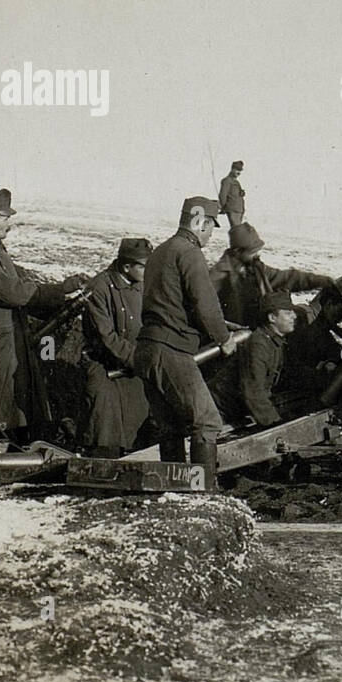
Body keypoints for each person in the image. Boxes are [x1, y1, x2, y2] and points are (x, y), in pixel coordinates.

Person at [0, 189, 88, 441]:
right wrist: (61, 289)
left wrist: (62, 295)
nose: (9, 223)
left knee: (13, 406)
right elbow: (13, 292)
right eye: (5, 218)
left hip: (7, 340)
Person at [133, 196, 240, 483]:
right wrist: (224, 338)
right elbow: (205, 303)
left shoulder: (161, 251)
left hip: (147, 347)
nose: (210, 233)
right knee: (207, 422)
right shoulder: (189, 252)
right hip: (172, 350)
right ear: (199, 222)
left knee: (170, 427)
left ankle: (176, 489)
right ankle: (202, 492)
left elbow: (171, 302)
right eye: (210, 226)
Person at [78, 238, 152, 457]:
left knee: (139, 431)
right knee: (104, 430)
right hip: (104, 365)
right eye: (143, 266)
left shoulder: (142, 285)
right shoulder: (99, 288)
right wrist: (137, 359)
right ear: (127, 267)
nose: (148, 270)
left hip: (133, 366)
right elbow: (106, 337)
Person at [208, 222, 335, 328]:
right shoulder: (218, 275)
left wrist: (322, 281)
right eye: (253, 251)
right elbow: (204, 309)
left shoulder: (256, 267)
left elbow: (287, 278)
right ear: (237, 251)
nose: (257, 254)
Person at [209, 289, 298, 428]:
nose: (294, 316)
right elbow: (253, 392)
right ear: (272, 318)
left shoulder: (274, 342)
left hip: (235, 409)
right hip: (218, 411)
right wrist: (276, 424)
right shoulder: (259, 344)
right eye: (288, 313)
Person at [218, 161, 246, 227]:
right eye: (237, 170)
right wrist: (224, 207)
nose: (239, 172)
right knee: (237, 230)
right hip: (233, 210)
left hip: (239, 210)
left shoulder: (235, 182)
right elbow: (222, 195)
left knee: (237, 230)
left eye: (240, 170)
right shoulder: (227, 181)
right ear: (232, 169)